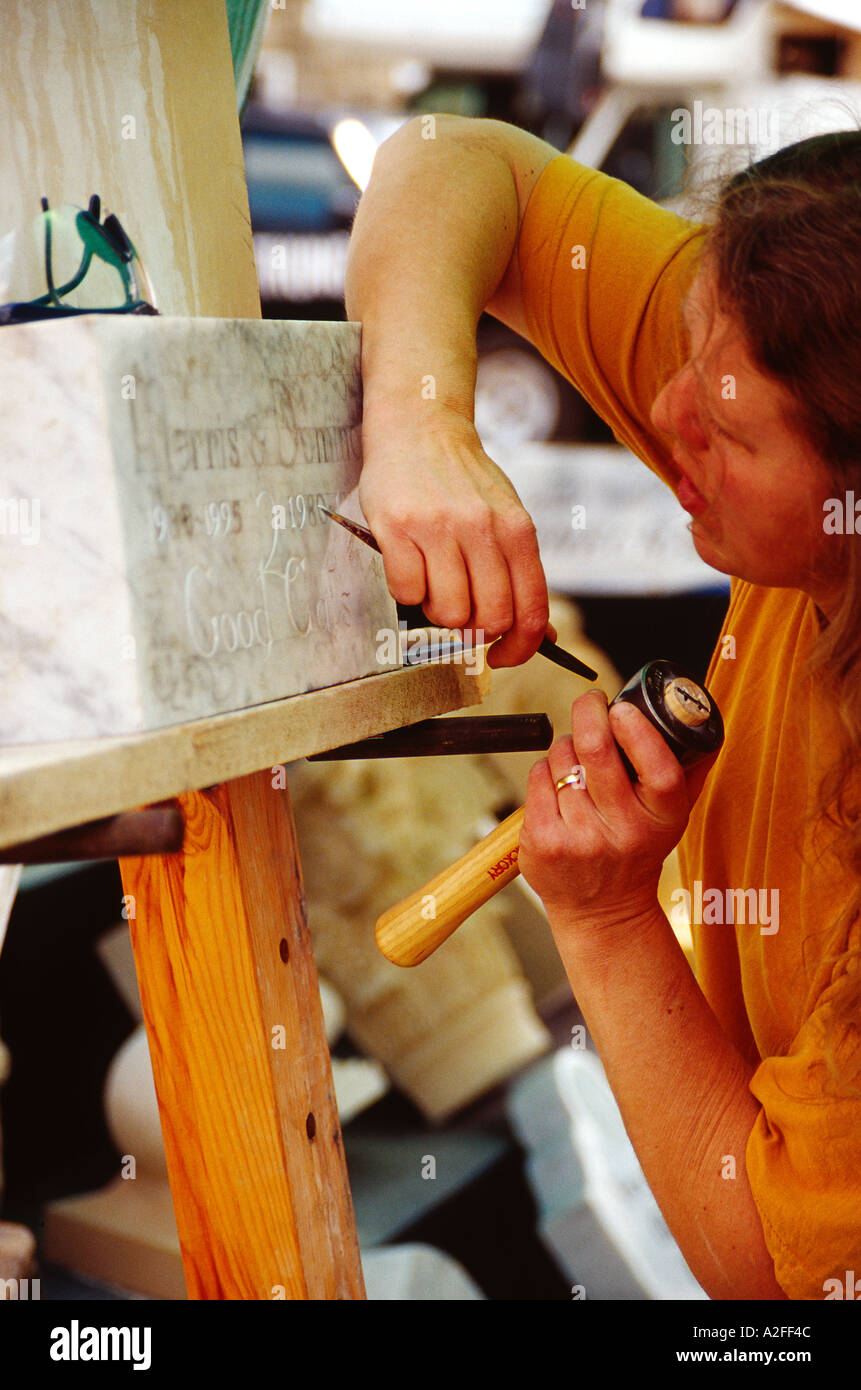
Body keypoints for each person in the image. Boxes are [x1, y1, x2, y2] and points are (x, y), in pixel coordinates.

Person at [345, 115, 861, 1300]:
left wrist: (611, 918)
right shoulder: (787, 323)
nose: (664, 408)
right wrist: (422, 420)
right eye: (685, 348)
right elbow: (450, 159)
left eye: (725, 431)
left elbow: (775, 1286)